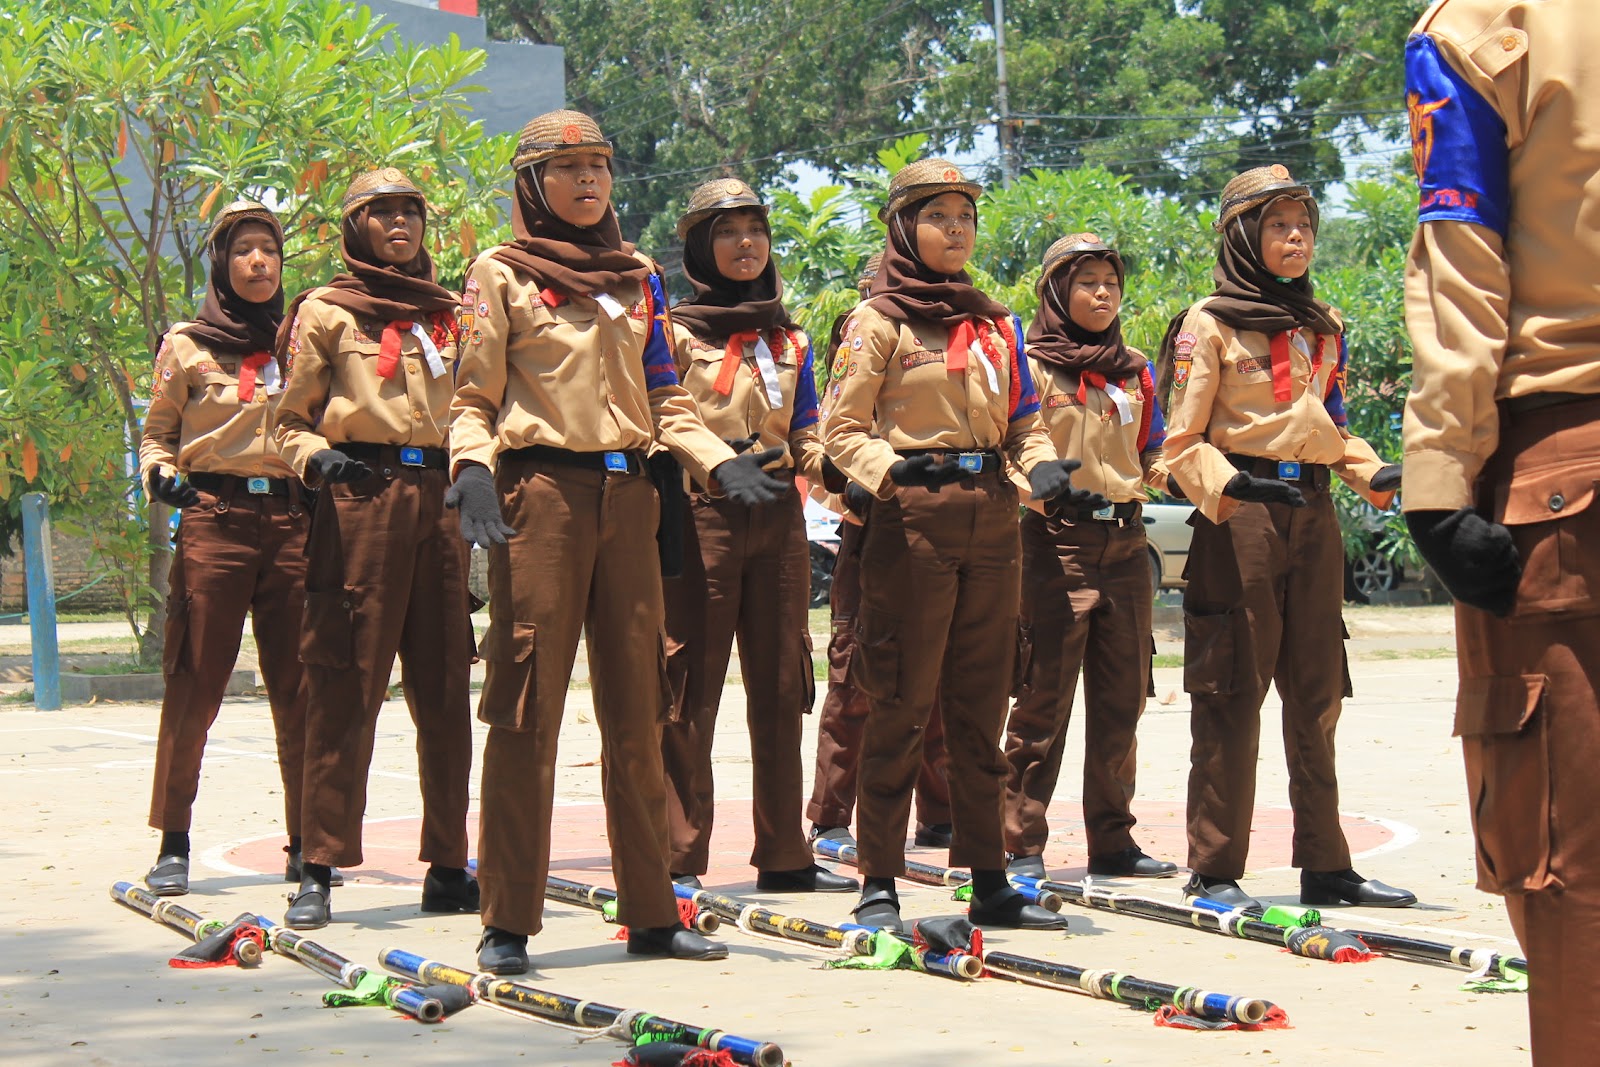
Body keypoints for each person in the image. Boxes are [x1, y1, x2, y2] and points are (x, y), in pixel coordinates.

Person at [447, 111, 789, 975]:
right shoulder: (500, 274)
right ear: (532, 185)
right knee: (526, 705)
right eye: (567, 168)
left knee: (642, 705)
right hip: (542, 495)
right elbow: (473, 398)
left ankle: (649, 910)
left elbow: (669, 397)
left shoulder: (639, 278)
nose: (589, 181)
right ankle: (508, 920)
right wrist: (473, 468)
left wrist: (716, 462)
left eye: (599, 164)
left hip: (633, 497)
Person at [822, 158, 1094, 935]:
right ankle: (878, 878)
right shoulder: (877, 322)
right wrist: (895, 471)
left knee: (981, 707)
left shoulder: (999, 324)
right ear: (904, 227)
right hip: (910, 521)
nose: (955, 229)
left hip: (992, 516)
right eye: (938, 216)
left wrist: (1044, 471)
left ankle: (989, 879)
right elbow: (842, 432)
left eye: (965, 216)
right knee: (901, 703)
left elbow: (1023, 421)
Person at [1401, 2, 1600, 1060]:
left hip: (1569, 466)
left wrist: (1437, 478)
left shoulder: (1489, 21)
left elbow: (1461, 248)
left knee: (1571, 858)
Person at [1160, 165, 1413, 912]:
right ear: (1243, 235)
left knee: (1318, 686)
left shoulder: (1321, 324)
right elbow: (1181, 443)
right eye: (1277, 224)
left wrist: (1378, 472)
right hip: (1241, 514)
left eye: (1303, 222)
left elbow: (1327, 424)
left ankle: (1328, 865)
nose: (1296, 235)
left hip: (1312, 509)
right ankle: (1214, 868)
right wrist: (1232, 485)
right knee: (1233, 685)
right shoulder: (1207, 322)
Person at [273, 168, 476, 929]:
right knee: (345, 678)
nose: (400, 224)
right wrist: (318, 459)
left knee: (447, 683)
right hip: (362, 494)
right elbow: (286, 420)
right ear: (354, 225)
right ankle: (319, 865)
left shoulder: (451, 315)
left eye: (411, 212)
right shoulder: (327, 310)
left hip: (444, 501)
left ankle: (450, 863)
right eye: (381, 213)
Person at [658, 178, 856, 894]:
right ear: (698, 248)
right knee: (690, 687)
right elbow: (659, 417)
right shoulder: (674, 330)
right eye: (727, 231)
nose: (746, 244)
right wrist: (718, 465)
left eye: (756, 230)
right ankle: (678, 858)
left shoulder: (789, 337)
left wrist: (835, 470)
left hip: (777, 517)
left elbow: (805, 432)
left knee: (781, 684)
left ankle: (784, 853)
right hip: (701, 511)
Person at [139, 201, 318, 895]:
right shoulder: (187, 344)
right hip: (213, 520)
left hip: (291, 525)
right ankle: (173, 838)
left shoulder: (302, 342)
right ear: (222, 262)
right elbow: (157, 434)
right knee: (195, 683)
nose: (258, 263)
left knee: (301, 689)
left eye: (269, 251)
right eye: (244, 250)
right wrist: (163, 479)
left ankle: (306, 843)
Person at [1001, 233, 1178, 882]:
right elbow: (1009, 450)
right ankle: (1019, 845)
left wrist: (1176, 470)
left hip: (1129, 547)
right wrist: (1040, 490)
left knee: (1122, 699)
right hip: (1055, 545)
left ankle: (1114, 842)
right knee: (1042, 701)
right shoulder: (1028, 366)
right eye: (1087, 282)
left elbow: (1152, 446)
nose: (1102, 293)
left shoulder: (1134, 368)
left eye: (1111, 282)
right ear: (1055, 291)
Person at [807, 253, 954, 851]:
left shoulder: (948, 341)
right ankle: (832, 816)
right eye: (870, 290)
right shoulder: (857, 346)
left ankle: (940, 811)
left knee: (938, 675)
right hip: (873, 532)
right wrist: (859, 498)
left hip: (939, 530)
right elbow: (825, 451)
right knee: (855, 678)